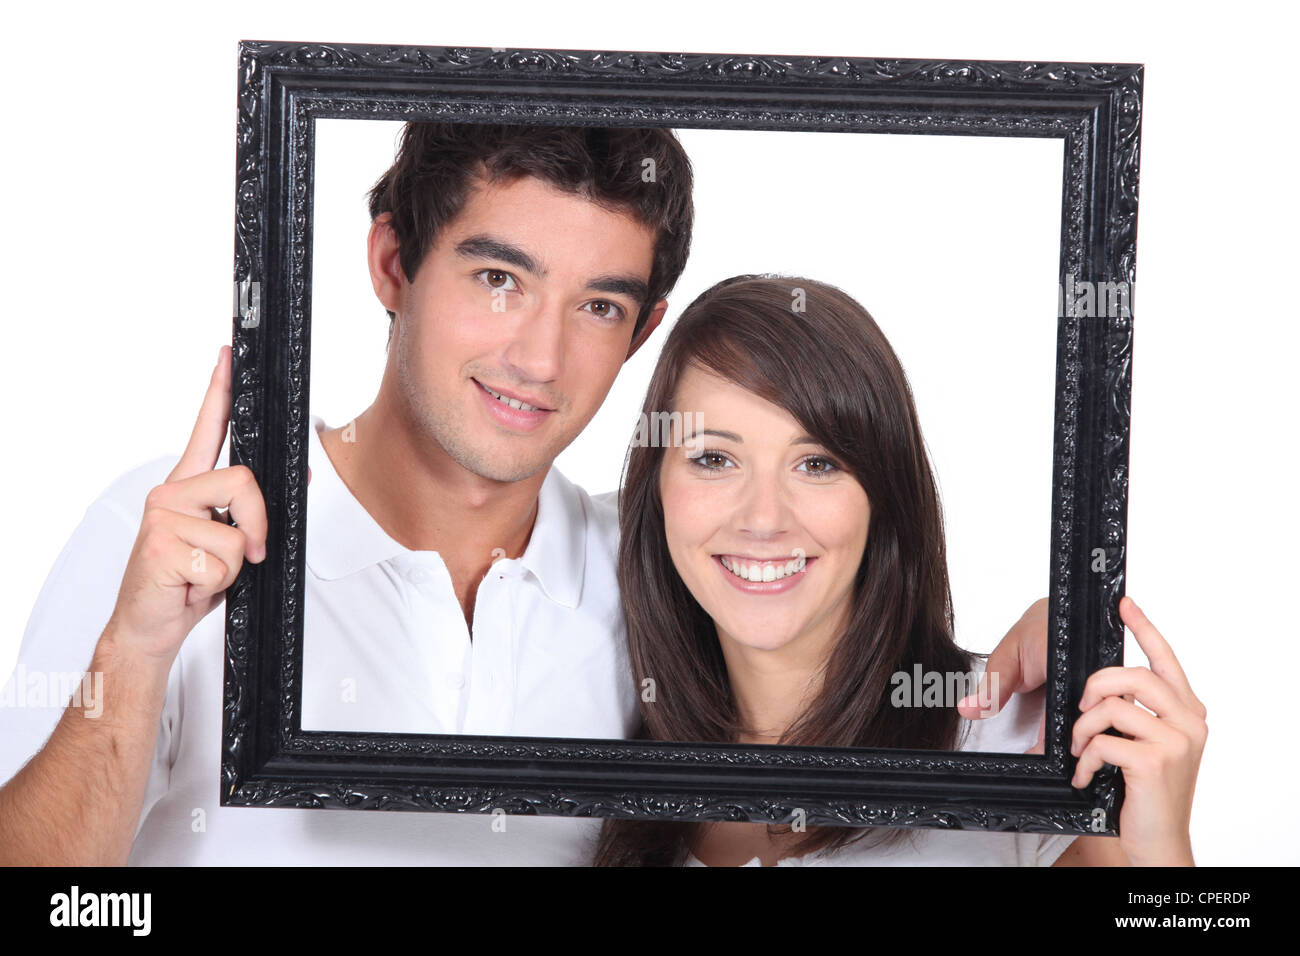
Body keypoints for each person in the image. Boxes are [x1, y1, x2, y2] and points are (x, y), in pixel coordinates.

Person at [0, 124, 1056, 866]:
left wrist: (1035, 659)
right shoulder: (180, 533)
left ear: (640, 332)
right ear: (392, 263)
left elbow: (850, 715)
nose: (539, 356)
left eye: (597, 304)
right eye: (497, 278)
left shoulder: (668, 572)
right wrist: (132, 654)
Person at [593, 275, 1206, 867]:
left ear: (882, 497)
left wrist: (1162, 856)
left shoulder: (1020, 743)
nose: (763, 518)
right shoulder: (603, 767)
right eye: (714, 457)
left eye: (817, 464)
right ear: (655, 490)